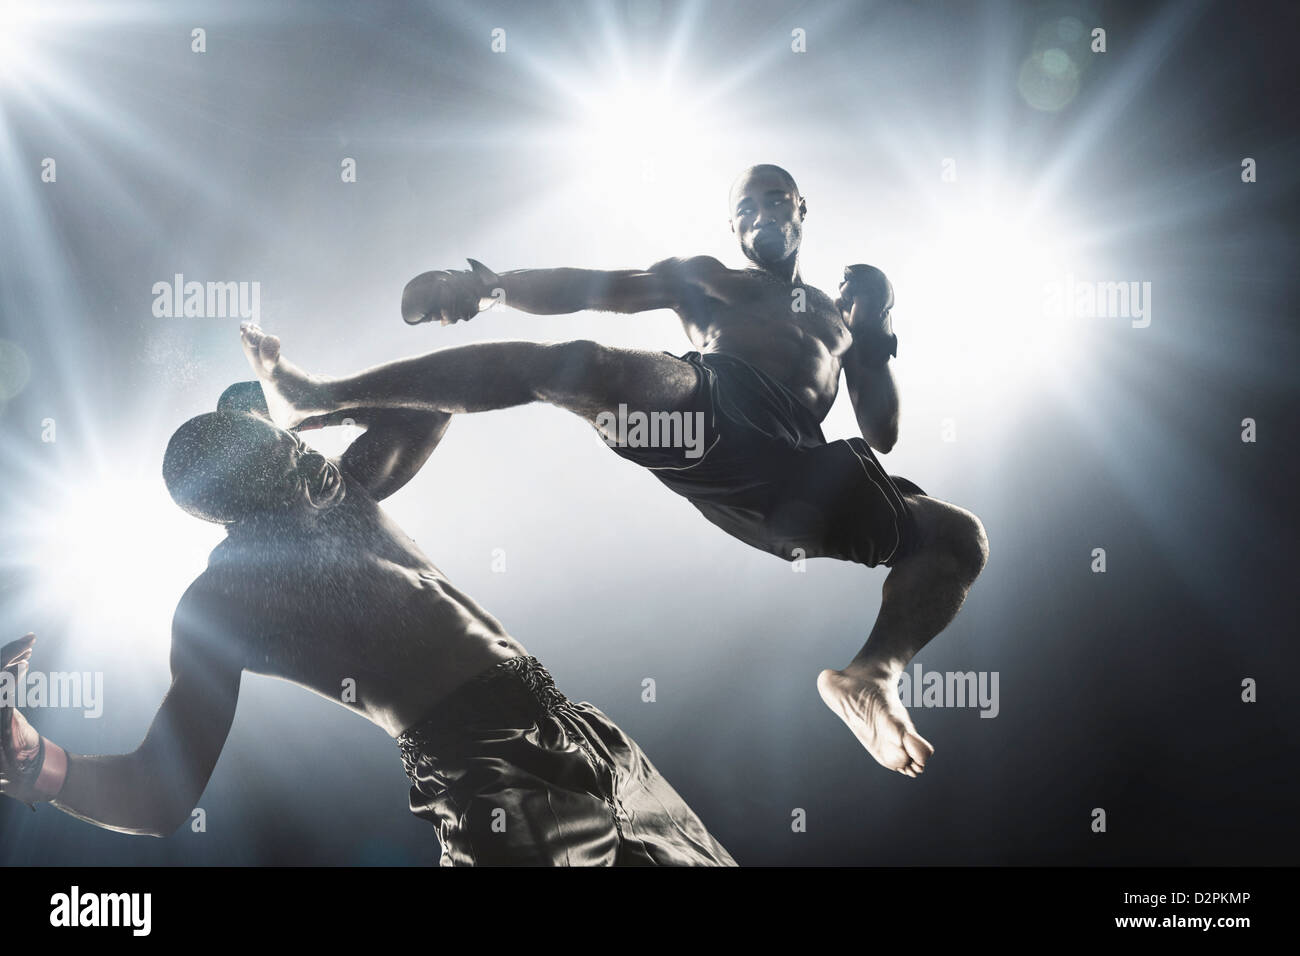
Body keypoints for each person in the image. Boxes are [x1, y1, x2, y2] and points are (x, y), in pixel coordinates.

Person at [239, 164, 990, 779]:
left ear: (801, 209)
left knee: (955, 535)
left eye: (775, 197)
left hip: (798, 474)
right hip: (710, 413)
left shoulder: (840, 316)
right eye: (745, 204)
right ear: (731, 227)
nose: (761, 210)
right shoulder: (710, 281)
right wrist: (492, 286)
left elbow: (883, 433)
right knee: (581, 366)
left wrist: (879, 329)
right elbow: (605, 285)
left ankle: (871, 677)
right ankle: (316, 399)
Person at [0, 378, 736, 866]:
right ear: (246, 502)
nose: (317, 462)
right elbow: (160, 798)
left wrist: (319, 398)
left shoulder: (342, 491)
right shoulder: (223, 602)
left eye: (300, 443)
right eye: (291, 461)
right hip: (486, 776)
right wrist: (35, 762)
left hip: (584, 732)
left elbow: (439, 400)